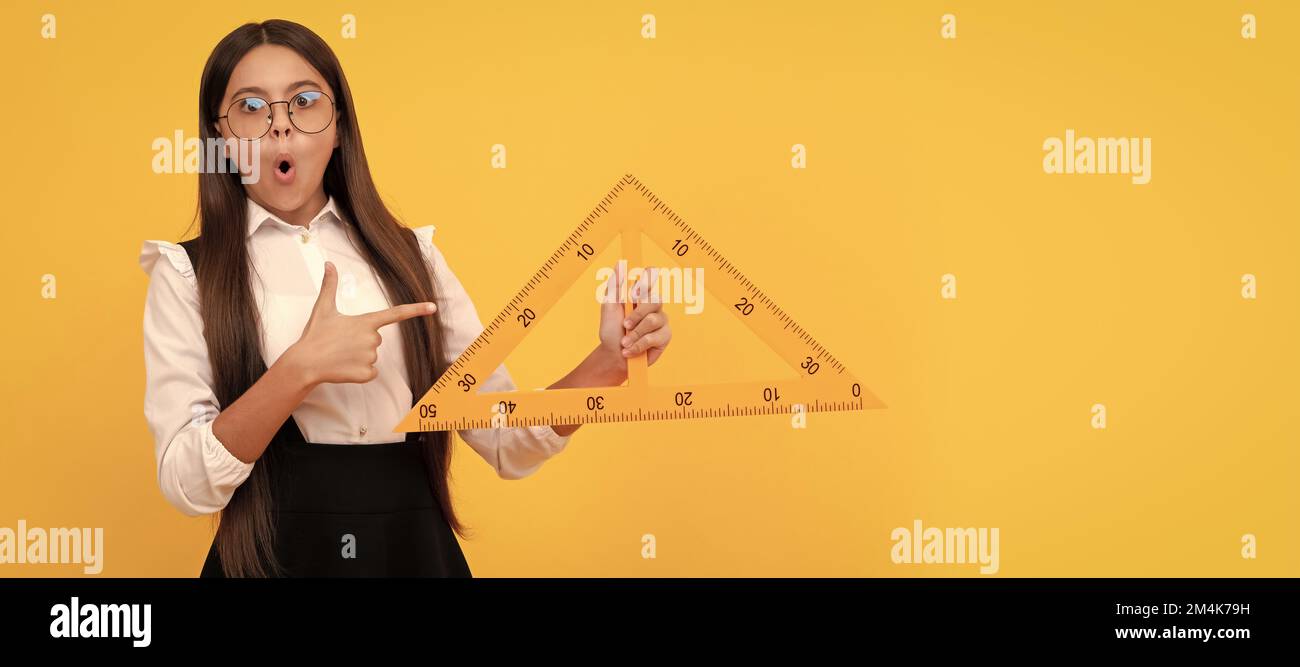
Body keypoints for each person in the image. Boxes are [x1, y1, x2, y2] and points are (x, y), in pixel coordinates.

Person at [139, 19, 672, 577]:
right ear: (220, 139)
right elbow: (187, 485)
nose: (281, 129)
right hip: (268, 561)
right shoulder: (185, 275)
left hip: (412, 553)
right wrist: (297, 371)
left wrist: (607, 366)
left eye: (304, 101)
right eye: (251, 108)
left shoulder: (413, 257)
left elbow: (507, 440)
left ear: (339, 126)